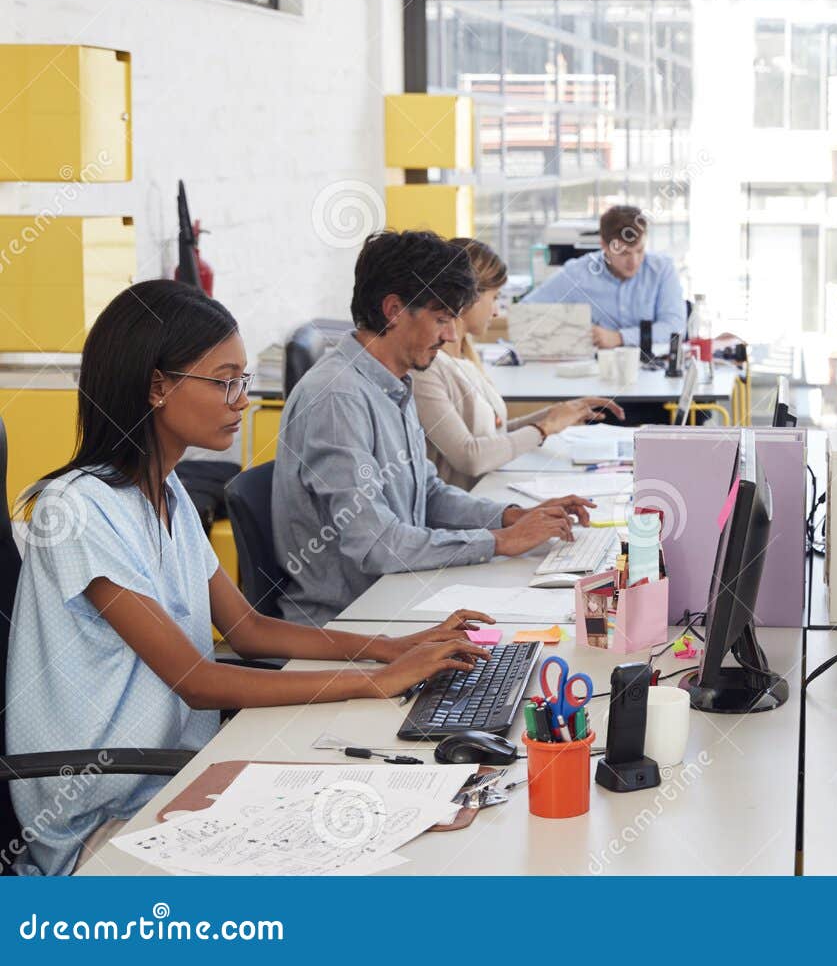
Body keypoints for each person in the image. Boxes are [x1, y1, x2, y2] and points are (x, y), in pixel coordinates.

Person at [5, 280, 495, 876]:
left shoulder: (166, 492)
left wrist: (391, 648)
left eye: (242, 379)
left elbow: (249, 629)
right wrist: (377, 681)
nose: (241, 400)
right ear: (157, 387)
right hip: (104, 821)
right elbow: (197, 682)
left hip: (178, 779)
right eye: (225, 381)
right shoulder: (78, 510)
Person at [273, 231, 592, 627]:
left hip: (394, 595)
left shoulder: (394, 381)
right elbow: (375, 544)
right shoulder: (338, 399)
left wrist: (511, 517)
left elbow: (428, 494)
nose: (452, 335)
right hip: (349, 622)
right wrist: (499, 541)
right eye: (441, 319)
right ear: (393, 310)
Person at [414, 237, 623, 490]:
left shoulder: (466, 357)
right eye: (494, 297)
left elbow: (495, 436)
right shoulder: (426, 369)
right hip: (465, 502)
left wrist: (556, 415)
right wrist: (545, 428)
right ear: (468, 297)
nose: (496, 311)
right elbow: (470, 457)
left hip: (488, 490)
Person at [527, 204, 685, 350]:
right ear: (604, 245)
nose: (634, 261)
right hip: (595, 366)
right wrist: (570, 330)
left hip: (652, 367)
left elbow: (675, 327)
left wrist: (619, 337)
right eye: (624, 253)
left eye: (639, 250)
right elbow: (526, 311)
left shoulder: (661, 270)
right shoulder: (578, 274)